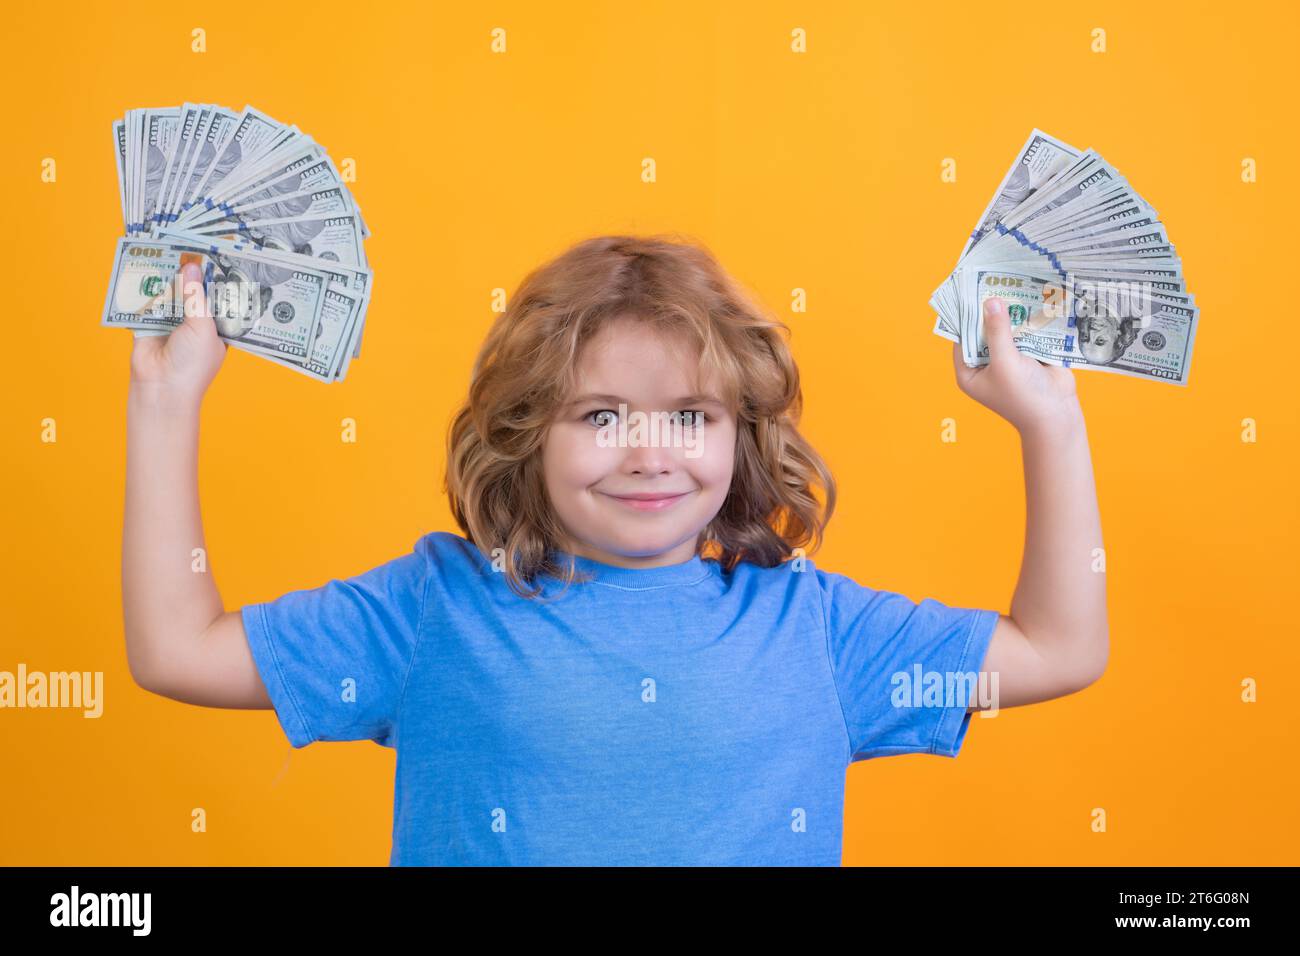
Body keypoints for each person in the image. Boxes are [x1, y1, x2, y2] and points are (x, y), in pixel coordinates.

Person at [121, 235, 1108, 865]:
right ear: (524, 432)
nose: (650, 451)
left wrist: (1050, 428)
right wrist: (166, 404)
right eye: (600, 413)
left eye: (690, 414)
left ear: (739, 437)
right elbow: (176, 647)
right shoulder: (436, 609)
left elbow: (1058, 646)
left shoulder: (815, 627)